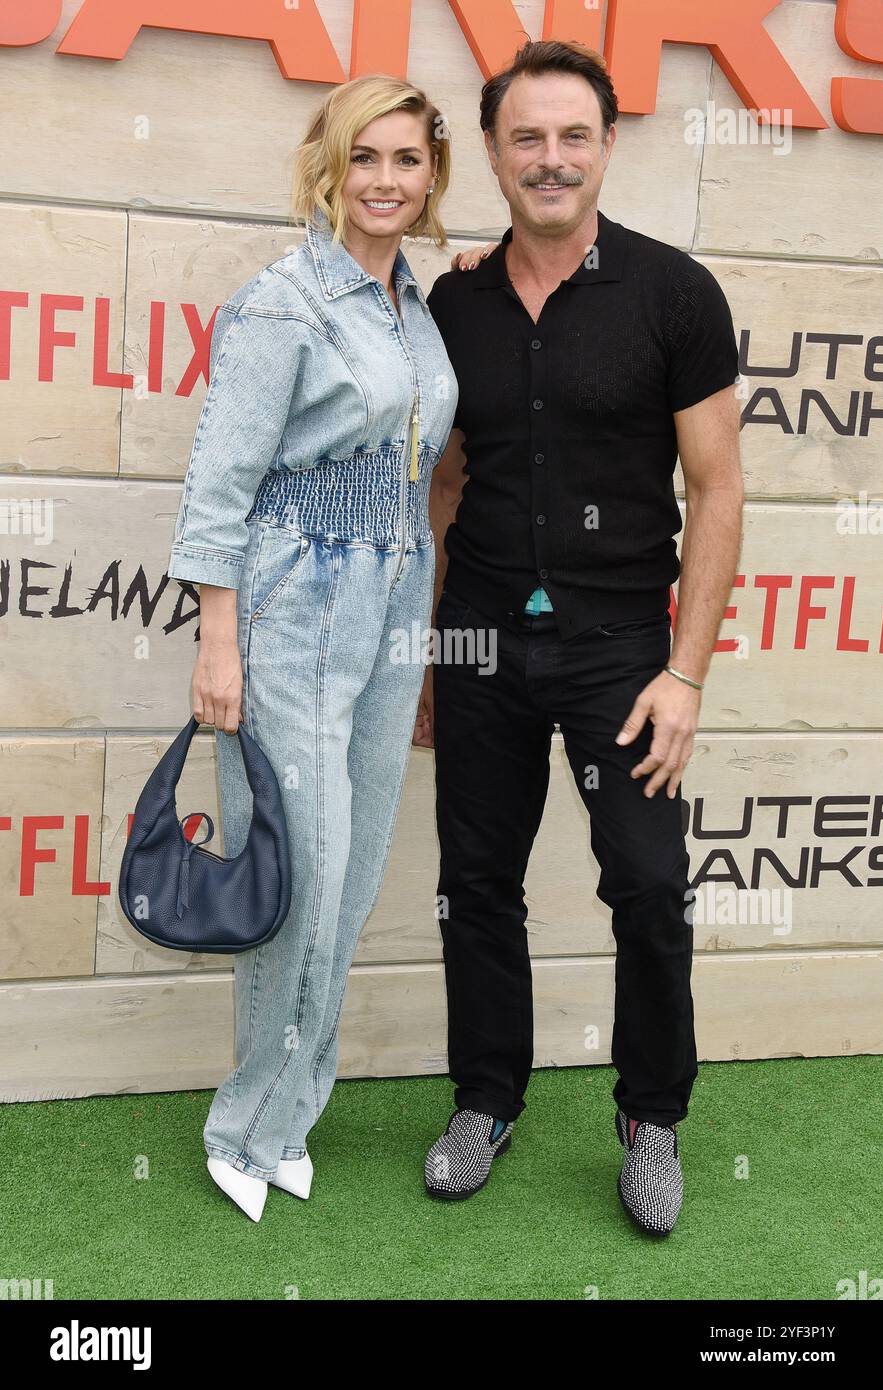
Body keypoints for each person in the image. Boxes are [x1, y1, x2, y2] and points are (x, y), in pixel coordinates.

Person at [413, 39, 743, 1235]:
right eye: (525, 138)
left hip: (621, 649)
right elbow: (446, 486)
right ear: (493, 153)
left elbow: (718, 489)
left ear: (607, 145)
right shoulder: (450, 301)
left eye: (573, 136)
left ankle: (650, 1117)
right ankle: (486, 1098)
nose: (550, 159)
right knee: (476, 886)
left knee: (650, 887)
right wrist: (432, 657)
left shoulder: (675, 295)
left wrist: (686, 672)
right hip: (481, 636)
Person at [166, 74, 458, 1222]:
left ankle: (292, 1111)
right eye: (364, 157)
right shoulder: (283, 302)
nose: (385, 180)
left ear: (433, 174)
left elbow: (417, 457)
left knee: (354, 872)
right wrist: (218, 643)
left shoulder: (416, 310)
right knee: (299, 876)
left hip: (390, 605)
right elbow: (217, 488)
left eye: (407, 159)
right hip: (290, 610)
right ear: (327, 168)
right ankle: (243, 1122)